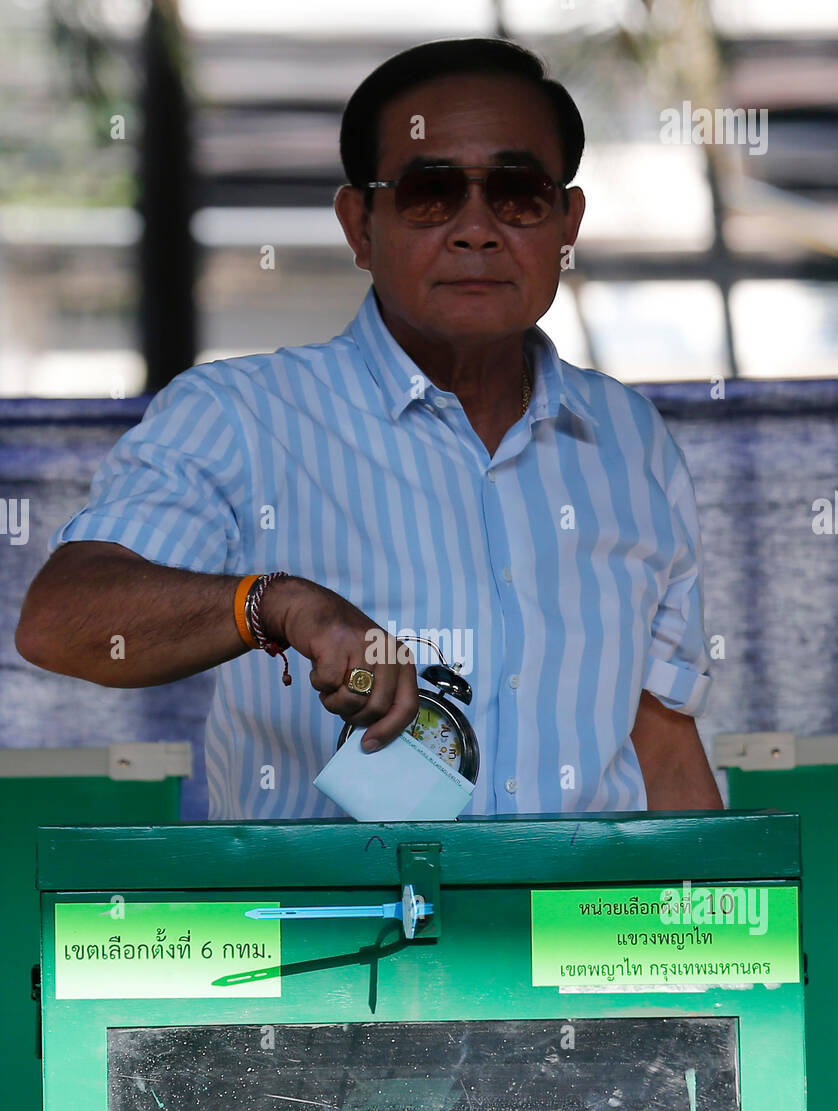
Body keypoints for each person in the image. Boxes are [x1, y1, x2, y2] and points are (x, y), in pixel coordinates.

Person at [15, 36, 722, 819]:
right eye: (430, 192)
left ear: (567, 222)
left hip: (573, 940)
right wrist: (276, 604)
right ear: (360, 224)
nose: (477, 229)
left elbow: (659, 739)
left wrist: (720, 929)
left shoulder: (630, 438)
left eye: (517, 193)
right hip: (324, 938)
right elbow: (62, 620)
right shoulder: (240, 416)